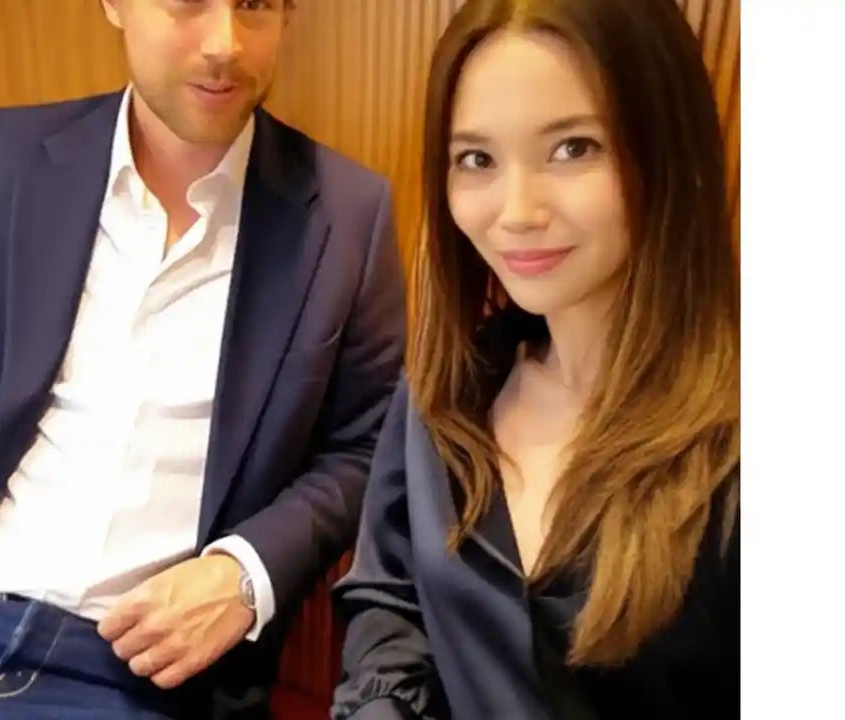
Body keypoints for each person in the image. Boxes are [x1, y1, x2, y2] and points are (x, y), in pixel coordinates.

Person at [0, 0, 405, 717]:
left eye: (256, 4)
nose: (225, 43)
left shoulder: (349, 214)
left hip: (137, 666)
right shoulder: (9, 153)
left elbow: (365, 445)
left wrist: (242, 572)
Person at [331, 0, 739, 718]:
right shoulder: (445, 394)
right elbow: (391, 603)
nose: (516, 209)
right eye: (477, 159)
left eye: (574, 147)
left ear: (667, 146)